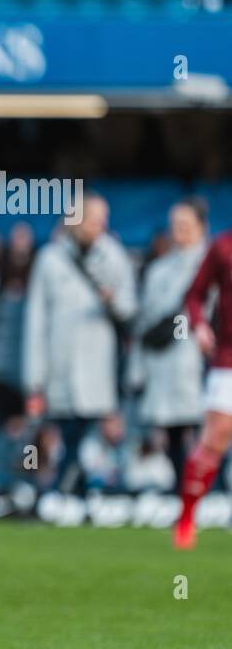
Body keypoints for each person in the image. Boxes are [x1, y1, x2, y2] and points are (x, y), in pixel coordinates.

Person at [22, 193, 137, 492]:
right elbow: (36, 321)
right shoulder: (50, 259)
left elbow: (130, 310)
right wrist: (34, 380)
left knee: (87, 435)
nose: (99, 225)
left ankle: (69, 493)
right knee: (68, 433)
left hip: (99, 364)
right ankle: (72, 494)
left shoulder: (114, 256)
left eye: (102, 219)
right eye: (93, 219)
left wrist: (112, 301)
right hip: (60, 363)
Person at [130, 199, 208, 485]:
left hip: (201, 363)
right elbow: (145, 322)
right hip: (164, 365)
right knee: (174, 434)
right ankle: (183, 492)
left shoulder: (214, 265)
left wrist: (180, 333)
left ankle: (213, 494)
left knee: (210, 434)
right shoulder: (158, 271)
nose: (180, 232)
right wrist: (138, 369)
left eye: (186, 225)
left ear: (202, 227)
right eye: (176, 225)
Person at [174, 217, 232, 549]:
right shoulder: (222, 247)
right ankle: (186, 519)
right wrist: (198, 326)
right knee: (214, 440)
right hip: (228, 359)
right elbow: (195, 293)